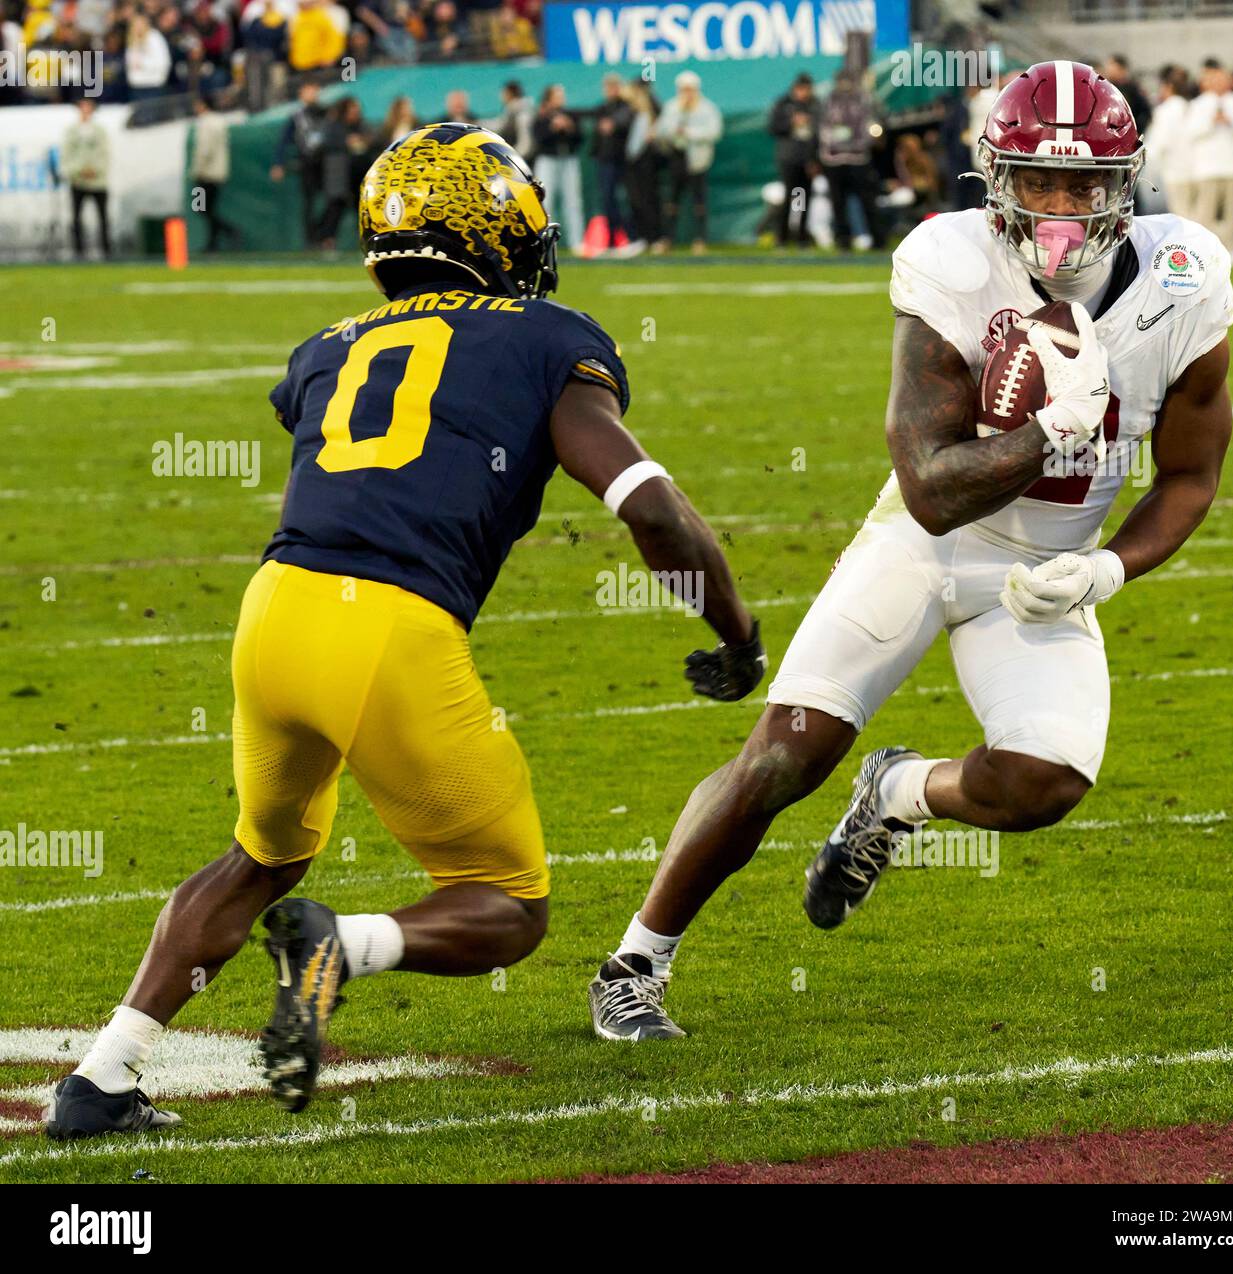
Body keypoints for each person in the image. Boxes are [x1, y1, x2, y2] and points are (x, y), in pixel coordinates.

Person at [45, 122, 762, 1140]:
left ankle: (101, 1076)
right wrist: (735, 629)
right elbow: (649, 507)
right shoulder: (547, 335)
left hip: (272, 612)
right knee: (510, 905)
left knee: (259, 856)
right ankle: (342, 945)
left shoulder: (327, 348)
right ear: (496, 220)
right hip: (383, 627)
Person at [588, 61, 1233, 1042]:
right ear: (995, 178)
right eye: (1036, 180)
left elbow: (1187, 474)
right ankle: (634, 961)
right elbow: (930, 488)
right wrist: (1050, 432)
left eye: (1084, 184)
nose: (1060, 205)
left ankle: (899, 791)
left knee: (1042, 782)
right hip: (924, 543)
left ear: (1123, 184)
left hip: (1044, 571)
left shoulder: (1183, 278)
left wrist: (1108, 567)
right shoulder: (949, 261)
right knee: (786, 754)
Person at [1186, 65, 1233, 259]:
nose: (1218, 84)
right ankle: (1204, 249)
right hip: (1207, 167)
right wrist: (1211, 121)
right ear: (1206, 83)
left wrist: (1229, 120)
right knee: (1206, 211)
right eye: (1214, 80)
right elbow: (1192, 132)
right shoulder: (1199, 104)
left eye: (1222, 80)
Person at [819, 69, 888, 251]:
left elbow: (875, 122)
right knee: (838, 203)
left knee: (868, 201)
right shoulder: (828, 101)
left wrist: (863, 142)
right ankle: (843, 240)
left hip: (858, 157)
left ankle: (878, 239)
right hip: (834, 159)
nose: (845, 85)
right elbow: (821, 127)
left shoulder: (864, 99)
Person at [655, 70, 722, 255]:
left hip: (698, 159)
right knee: (672, 200)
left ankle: (700, 239)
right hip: (677, 156)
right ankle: (667, 238)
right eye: (684, 89)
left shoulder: (707, 108)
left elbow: (715, 131)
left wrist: (690, 133)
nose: (687, 93)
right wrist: (677, 126)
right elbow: (661, 130)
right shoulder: (672, 107)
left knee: (699, 200)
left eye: (690, 89)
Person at [270, 79, 335, 250]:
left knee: (333, 199)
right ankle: (311, 239)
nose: (312, 94)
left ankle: (324, 234)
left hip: (326, 162)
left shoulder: (326, 112)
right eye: (308, 90)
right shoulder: (297, 115)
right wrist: (279, 163)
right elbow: (284, 140)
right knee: (309, 202)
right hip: (307, 162)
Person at [769, 72, 820, 247]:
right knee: (789, 197)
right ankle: (782, 236)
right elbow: (773, 127)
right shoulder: (783, 103)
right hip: (789, 158)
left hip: (807, 160)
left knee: (803, 199)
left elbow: (820, 133)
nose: (804, 93)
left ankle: (801, 236)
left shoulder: (815, 105)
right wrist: (792, 122)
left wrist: (815, 160)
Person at [533, 83, 583, 245]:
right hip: (548, 160)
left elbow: (580, 139)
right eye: (557, 96)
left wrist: (569, 127)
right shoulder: (541, 116)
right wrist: (552, 127)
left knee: (573, 201)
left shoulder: (570, 116)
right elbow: (539, 139)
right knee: (546, 202)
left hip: (568, 159)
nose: (561, 99)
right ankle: (545, 242)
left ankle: (577, 243)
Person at [61, 97, 111, 258]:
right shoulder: (71, 131)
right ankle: (79, 250)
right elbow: (66, 155)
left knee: (102, 217)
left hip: (97, 181)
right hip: (78, 180)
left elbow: (105, 154)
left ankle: (106, 249)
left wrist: (95, 170)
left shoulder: (100, 131)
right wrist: (78, 171)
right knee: (76, 218)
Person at [191, 95, 239, 252]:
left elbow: (205, 149)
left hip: (206, 173)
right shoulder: (220, 122)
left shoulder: (206, 123)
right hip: (218, 172)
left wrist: (197, 170)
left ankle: (226, 232)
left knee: (200, 207)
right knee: (208, 209)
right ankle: (214, 242)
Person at [591, 72, 632, 251]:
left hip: (622, 161)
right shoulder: (602, 108)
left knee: (625, 199)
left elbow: (623, 122)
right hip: (605, 160)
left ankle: (630, 236)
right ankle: (614, 238)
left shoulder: (625, 107)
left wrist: (613, 124)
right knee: (608, 199)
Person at [1145, 64, 1193, 217]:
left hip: (1175, 169)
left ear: (1169, 87)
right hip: (1194, 168)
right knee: (1193, 212)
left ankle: (1186, 241)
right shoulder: (1190, 106)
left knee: (1181, 213)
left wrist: (1145, 155)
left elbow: (1160, 142)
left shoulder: (1165, 110)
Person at [623, 79, 661, 253]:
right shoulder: (634, 114)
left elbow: (638, 146)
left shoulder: (646, 115)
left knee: (647, 200)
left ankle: (653, 237)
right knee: (638, 201)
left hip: (644, 164)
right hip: (636, 165)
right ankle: (645, 237)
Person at [495, 79, 535, 162]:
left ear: (509, 93)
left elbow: (525, 142)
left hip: (523, 159)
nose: (501, 96)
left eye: (504, 93)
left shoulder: (523, 113)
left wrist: (513, 157)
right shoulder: (512, 110)